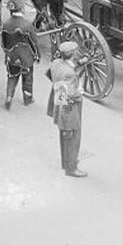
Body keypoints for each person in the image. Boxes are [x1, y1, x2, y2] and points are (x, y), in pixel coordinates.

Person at [50, 41, 87, 177]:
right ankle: (71, 168)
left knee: (64, 135)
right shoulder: (69, 74)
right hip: (70, 107)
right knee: (73, 137)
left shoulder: (56, 63)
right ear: (73, 54)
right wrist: (80, 92)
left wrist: (78, 67)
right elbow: (71, 93)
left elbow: (58, 76)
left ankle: (65, 163)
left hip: (59, 100)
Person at [0, 2, 38, 110]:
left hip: (12, 57)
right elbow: (34, 42)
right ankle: (27, 98)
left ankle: (9, 97)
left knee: (12, 77)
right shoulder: (27, 24)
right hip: (26, 57)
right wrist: (36, 55)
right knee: (28, 78)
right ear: (21, 9)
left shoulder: (6, 24)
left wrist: (8, 53)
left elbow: (3, 43)